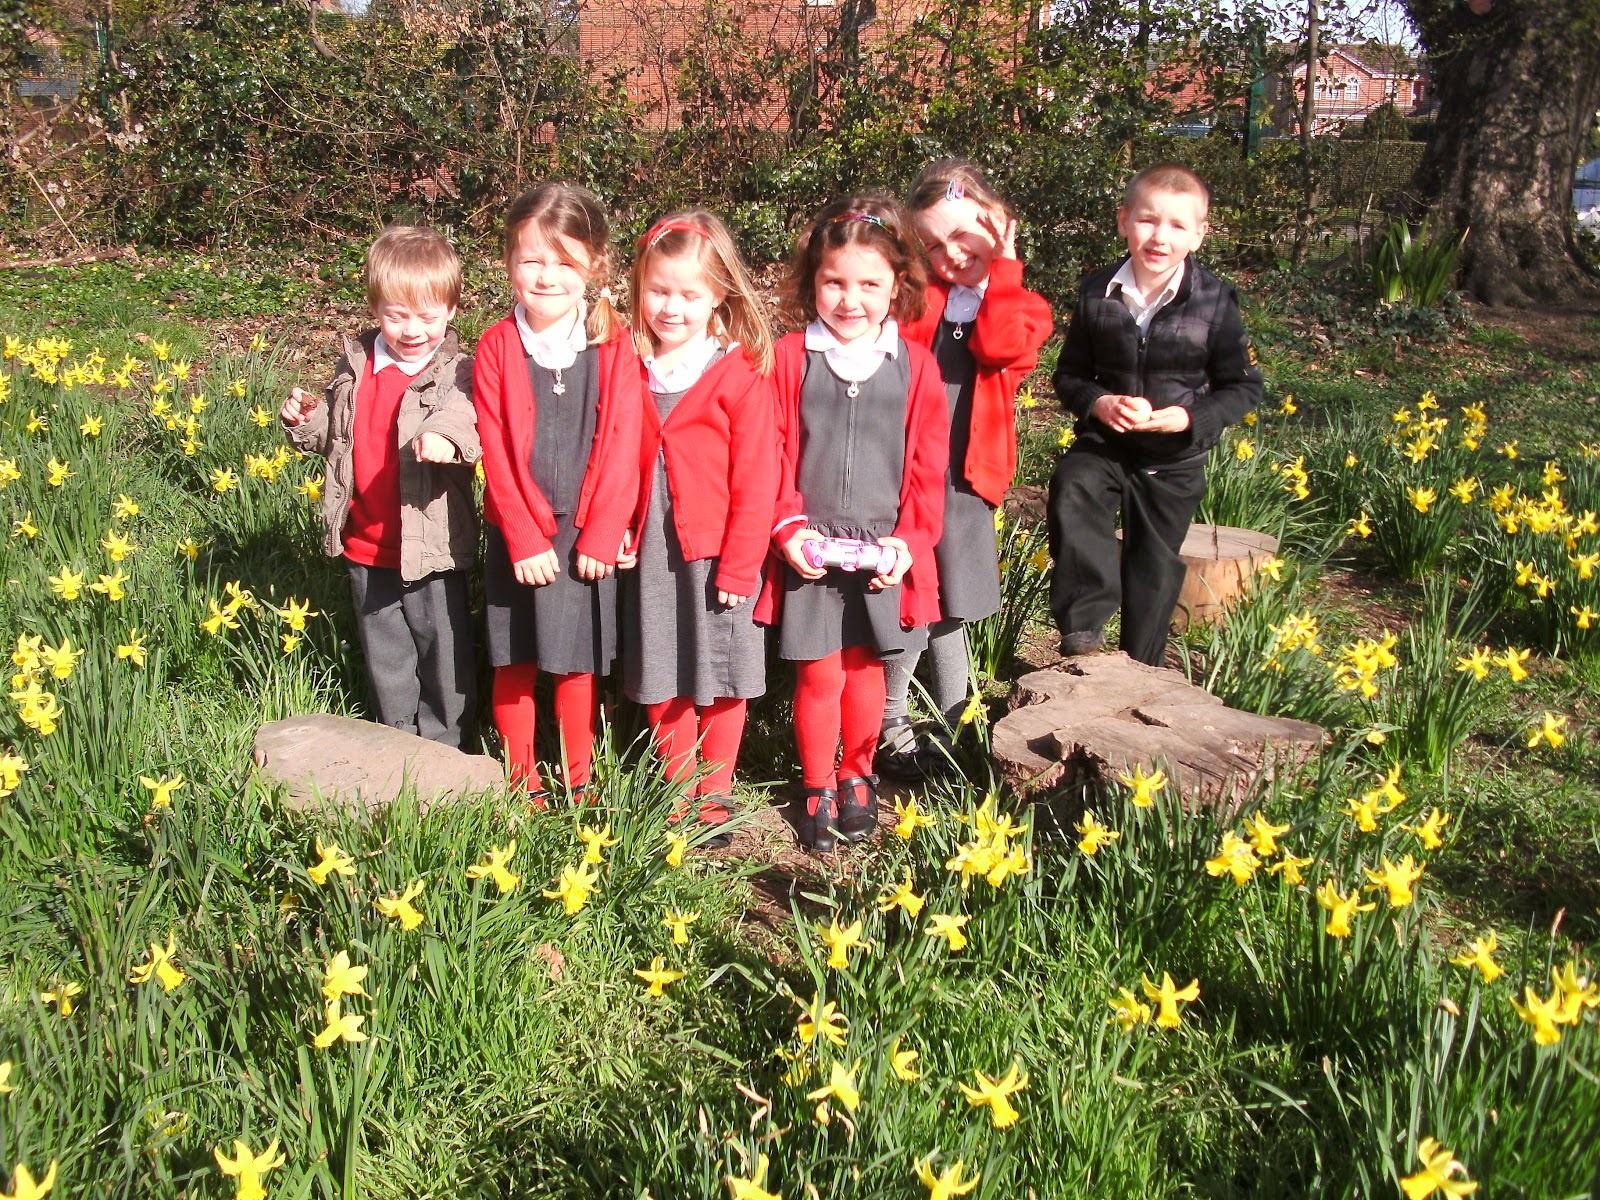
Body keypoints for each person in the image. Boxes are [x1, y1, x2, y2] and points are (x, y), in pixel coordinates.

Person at [755, 194, 949, 853]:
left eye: (869, 283)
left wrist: (910, 543)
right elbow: (771, 451)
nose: (850, 299)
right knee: (817, 672)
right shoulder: (788, 357)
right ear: (812, 281)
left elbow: (928, 469)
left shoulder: (916, 366)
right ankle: (814, 783)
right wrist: (786, 529)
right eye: (834, 281)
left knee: (868, 670)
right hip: (810, 547)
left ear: (898, 284)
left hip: (883, 553)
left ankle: (857, 775)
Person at [1048, 162, 1263, 667]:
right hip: (1107, 444)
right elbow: (1070, 376)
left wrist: (1189, 419)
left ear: (1199, 235)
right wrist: (1098, 403)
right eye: (1147, 220)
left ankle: (1143, 661)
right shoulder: (1097, 293)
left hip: (1174, 456)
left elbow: (1244, 387)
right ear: (1124, 221)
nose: (1159, 236)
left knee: (1155, 561)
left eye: (1177, 225)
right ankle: (1083, 629)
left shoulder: (1214, 301)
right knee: (1073, 486)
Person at [881, 158, 1054, 780]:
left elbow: (999, 345)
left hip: (967, 480)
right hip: (909, 477)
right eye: (931, 244)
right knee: (912, 600)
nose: (950, 254)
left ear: (998, 226)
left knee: (948, 604)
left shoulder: (1021, 304)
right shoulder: (920, 303)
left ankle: (957, 722)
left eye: (963, 237)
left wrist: (1004, 267)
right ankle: (893, 725)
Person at [473, 183, 644, 799]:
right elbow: (493, 446)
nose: (547, 276)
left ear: (594, 265)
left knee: (577, 662)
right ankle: (522, 780)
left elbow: (626, 439)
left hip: (585, 536)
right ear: (508, 263)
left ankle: (579, 782)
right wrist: (521, 536)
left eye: (565, 262)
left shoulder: (612, 341)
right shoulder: (496, 345)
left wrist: (603, 530)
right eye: (531, 260)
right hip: (520, 536)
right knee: (514, 659)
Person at [280, 225, 480, 749]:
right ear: (374, 309)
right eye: (397, 315)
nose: (412, 329)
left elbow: (469, 419)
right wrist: (306, 419)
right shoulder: (356, 367)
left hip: (430, 545)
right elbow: (334, 432)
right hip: (366, 540)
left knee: (442, 648)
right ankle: (398, 742)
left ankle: (446, 748)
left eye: (427, 316)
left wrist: (445, 436)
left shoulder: (458, 372)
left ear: (452, 310)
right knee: (386, 650)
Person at [619, 211, 779, 846]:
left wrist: (743, 565)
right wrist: (618, 526)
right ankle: (677, 793)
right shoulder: (627, 365)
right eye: (658, 291)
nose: (671, 307)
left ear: (719, 295)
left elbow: (757, 480)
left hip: (717, 557)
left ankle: (714, 799)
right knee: (662, 669)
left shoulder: (737, 375)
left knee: (722, 675)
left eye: (689, 294)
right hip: (652, 552)